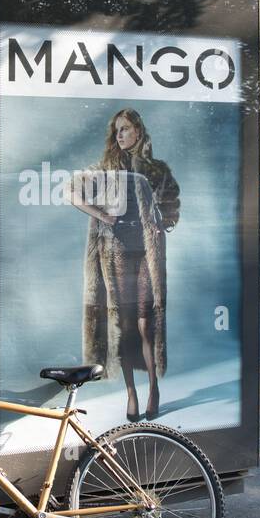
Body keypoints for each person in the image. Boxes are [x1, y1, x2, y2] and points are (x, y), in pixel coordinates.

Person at [72, 108, 180, 421]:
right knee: (126, 323)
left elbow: (172, 201)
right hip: (116, 247)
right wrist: (102, 215)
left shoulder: (156, 168)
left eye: (126, 129)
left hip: (146, 249)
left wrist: (164, 223)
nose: (120, 135)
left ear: (138, 132)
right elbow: (72, 190)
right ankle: (131, 393)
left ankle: (153, 388)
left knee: (147, 323)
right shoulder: (104, 167)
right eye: (117, 130)